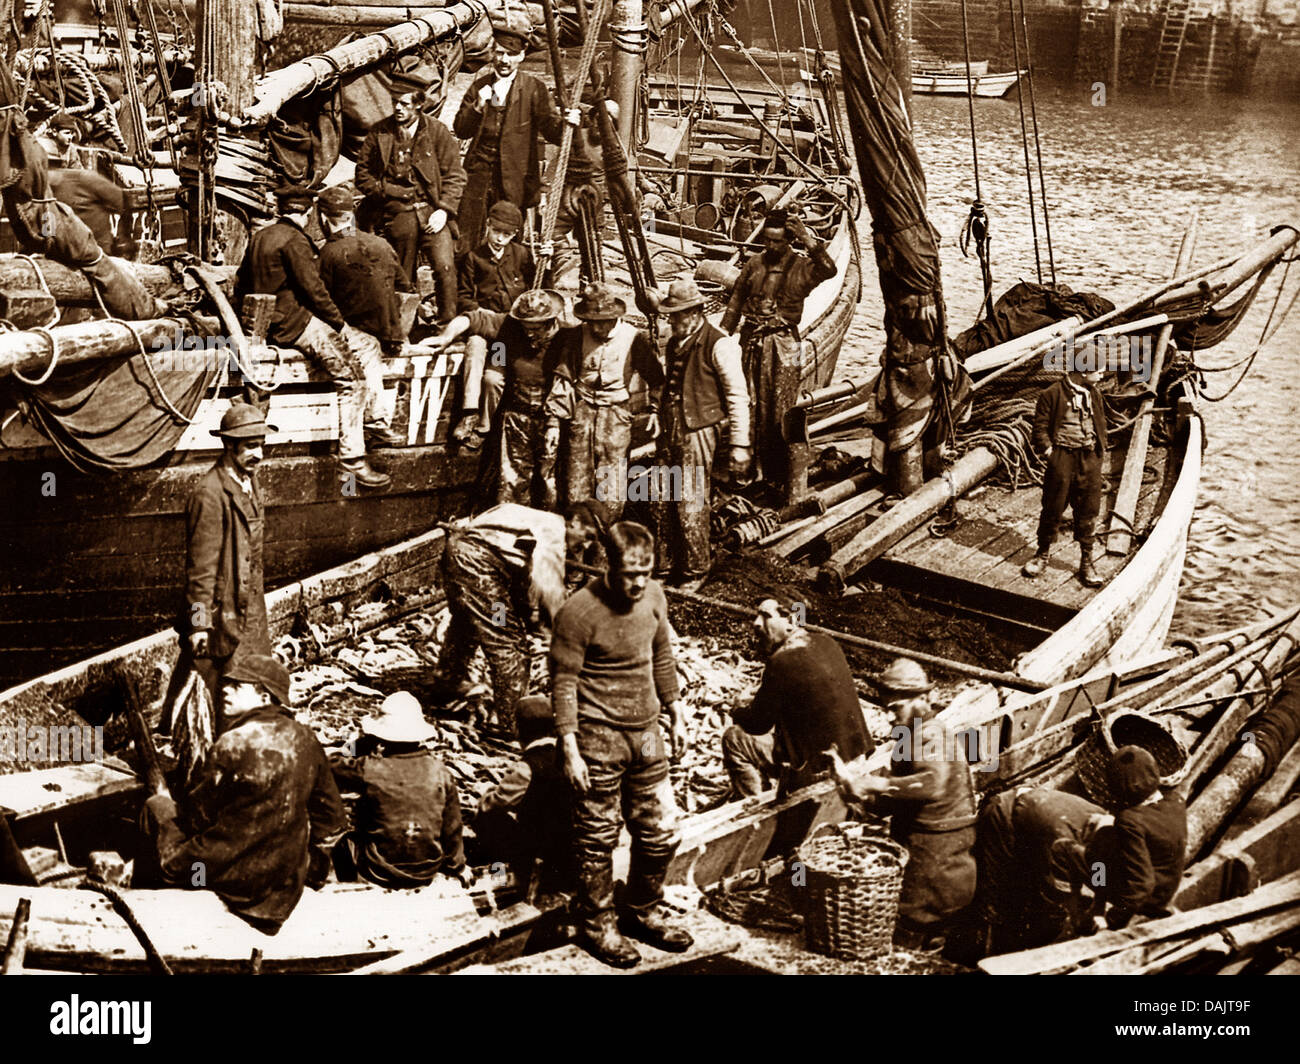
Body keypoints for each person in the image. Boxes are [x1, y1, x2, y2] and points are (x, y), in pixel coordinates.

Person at [550, 521, 693, 968]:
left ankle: (642, 909)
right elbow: (563, 682)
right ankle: (598, 924)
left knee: (660, 829)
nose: (637, 583)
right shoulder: (579, 611)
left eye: (645, 573)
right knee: (597, 836)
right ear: (608, 564)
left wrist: (676, 709)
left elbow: (662, 653)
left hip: (646, 730)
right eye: (629, 573)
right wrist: (570, 748)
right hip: (597, 735)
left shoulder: (653, 597)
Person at [143, 654, 347, 933]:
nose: (225, 689)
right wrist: (313, 870)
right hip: (284, 882)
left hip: (231, 881)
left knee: (157, 810)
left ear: (264, 698)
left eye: (238, 686)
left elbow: (196, 820)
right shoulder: (306, 739)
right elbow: (332, 820)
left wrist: (169, 807)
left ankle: (178, 892)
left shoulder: (232, 743)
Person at [236, 184, 391, 488]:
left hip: (267, 324)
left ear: (281, 210)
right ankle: (353, 461)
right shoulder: (295, 240)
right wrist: (339, 325)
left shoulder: (260, 237)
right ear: (307, 213)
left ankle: (372, 426)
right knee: (353, 378)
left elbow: (241, 284)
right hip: (295, 325)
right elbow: (314, 291)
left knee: (361, 353)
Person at [831, 657, 978, 952]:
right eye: (886, 708)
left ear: (924, 699)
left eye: (896, 707)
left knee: (905, 943)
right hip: (939, 868)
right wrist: (852, 790)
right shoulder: (912, 737)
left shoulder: (931, 733)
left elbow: (931, 784)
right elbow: (895, 800)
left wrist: (877, 784)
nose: (888, 717)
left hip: (935, 868)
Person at [433, 501, 603, 739]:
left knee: (469, 621)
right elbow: (549, 588)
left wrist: (535, 616)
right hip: (477, 566)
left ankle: (447, 681)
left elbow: (525, 577)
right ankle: (512, 722)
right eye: (587, 536)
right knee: (508, 642)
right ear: (573, 521)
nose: (584, 545)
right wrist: (566, 634)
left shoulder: (532, 518)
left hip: (461, 554)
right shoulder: (553, 531)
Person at [427, 288, 573, 509]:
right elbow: (471, 318)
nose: (530, 334)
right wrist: (445, 337)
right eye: (526, 328)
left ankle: (548, 524)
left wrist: (555, 423)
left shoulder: (568, 337)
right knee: (512, 480)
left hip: (551, 417)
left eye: (536, 329)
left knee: (550, 481)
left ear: (550, 321)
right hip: (516, 415)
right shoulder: (510, 326)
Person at [720, 208, 836, 482]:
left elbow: (829, 270)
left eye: (777, 241)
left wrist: (807, 238)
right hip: (751, 339)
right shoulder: (754, 264)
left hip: (782, 344)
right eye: (767, 240)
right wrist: (723, 336)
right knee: (748, 404)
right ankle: (749, 467)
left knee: (780, 407)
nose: (771, 246)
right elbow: (736, 300)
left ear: (789, 241)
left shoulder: (803, 267)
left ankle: (779, 471)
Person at [650, 279, 751, 587]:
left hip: (699, 429)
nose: (671, 321)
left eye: (676, 315)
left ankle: (695, 571)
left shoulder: (719, 344)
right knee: (660, 495)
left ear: (694, 313)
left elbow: (737, 396)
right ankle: (664, 566)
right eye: (670, 315)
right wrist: (656, 413)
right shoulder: (677, 341)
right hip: (671, 427)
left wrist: (740, 444)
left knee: (690, 497)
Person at [722, 595, 874, 798]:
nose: (756, 623)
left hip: (824, 771)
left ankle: (751, 804)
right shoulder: (827, 642)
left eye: (766, 616)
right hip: (857, 755)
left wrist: (736, 709)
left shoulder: (781, 661)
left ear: (792, 621)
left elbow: (758, 725)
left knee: (734, 738)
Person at [452, 23, 575, 255]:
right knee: (468, 233)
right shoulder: (480, 86)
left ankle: (508, 283)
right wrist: (477, 107)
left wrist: (569, 122)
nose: (504, 60)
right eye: (499, 53)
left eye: (510, 54)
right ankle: (469, 281)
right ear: (492, 54)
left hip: (515, 177)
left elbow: (553, 132)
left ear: (521, 56)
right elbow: (461, 130)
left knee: (508, 234)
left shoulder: (533, 89)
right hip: (478, 174)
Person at [332, 692, 475, 890]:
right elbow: (452, 830)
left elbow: (330, 764)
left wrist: (358, 745)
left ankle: (348, 889)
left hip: (378, 869)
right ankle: (498, 878)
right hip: (427, 869)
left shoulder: (369, 768)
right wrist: (458, 866)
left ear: (381, 736)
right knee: (490, 857)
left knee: (341, 843)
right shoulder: (440, 772)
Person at [355, 68, 465, 321]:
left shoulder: (437, 132)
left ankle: (448, 323)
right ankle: (401, 325)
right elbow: (363, 175)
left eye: (404, 103)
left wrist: (444, 210)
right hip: (395, 211)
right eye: (394, 102)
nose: (397, 108)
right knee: (401, 274)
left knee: (445, 266)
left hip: (431, 211)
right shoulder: (380, 132)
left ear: (419, 105)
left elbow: (456, 176)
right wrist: (387, 192)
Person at [184, 402, 276, 708]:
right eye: (250, 447)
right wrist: (198, 626)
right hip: (224, 619)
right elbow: (200, 571)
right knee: (226, 696)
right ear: (228, 445)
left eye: (261, 445)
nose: (258, 455)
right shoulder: (209, 493)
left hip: (252, 613)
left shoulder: (249, 481)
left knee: (256, 688)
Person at [552, 282, 663, 516]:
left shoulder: (634, 338)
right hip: (581, 412)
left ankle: (608, 531)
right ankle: (578, 533)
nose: (597, 328)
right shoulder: (576, 336)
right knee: (576, 478)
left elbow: (656, 378)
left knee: (611, 482)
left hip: (616, 414)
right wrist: (555, 421)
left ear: (614, 318)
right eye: (592, 322)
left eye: (602, 322)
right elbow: (563, 377)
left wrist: (654, 409)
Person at [451, 200, 535, 451]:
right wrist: (477, 312)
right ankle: (469, 413)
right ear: (487, 226)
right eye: (496, 232)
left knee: (492, 379)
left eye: (507, 235)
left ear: (514, 235)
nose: (500, 239)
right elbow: (464, 296)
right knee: (475, 347)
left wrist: (547, 262)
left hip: (506, 335)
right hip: (484, 326)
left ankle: (483, 427)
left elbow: (538, 291)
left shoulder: (521, 255)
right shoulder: (473, 258)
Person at [472, 694, 573, 893]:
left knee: (490, 820)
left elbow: (494, 803)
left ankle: (499, 881)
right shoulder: (569, 759)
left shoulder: (526, 767)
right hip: (570, 840)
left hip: (540, 846)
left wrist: (486, 793)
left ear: (518, 730)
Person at [1023, 365, 1109, 587]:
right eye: (1098, 370)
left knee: (1089, 510)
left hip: (1088, 458)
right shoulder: (1051, 394)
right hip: (1062, 458)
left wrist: (1099, 452)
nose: (1102, 374)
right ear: (1082, 371)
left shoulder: (1094, 392)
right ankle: (1042, 554)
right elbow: (1039, 428)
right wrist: (1051, 453)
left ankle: (1086, 560)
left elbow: (1100, 422)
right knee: (1053, 507)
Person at [1090, 746, 1187, 930]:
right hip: (1166, 887)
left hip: (1146, 901)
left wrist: (1112, 920)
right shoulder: (1175, 800)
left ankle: (1096, 902)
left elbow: (1142, 884)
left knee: (1084, 848)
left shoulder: (1130, 820)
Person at [49, 167, 132, 256]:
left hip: (98, 252)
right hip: (65, 254)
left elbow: (123, 202)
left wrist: (123, 236)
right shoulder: (43, 192)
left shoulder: (84, 179)